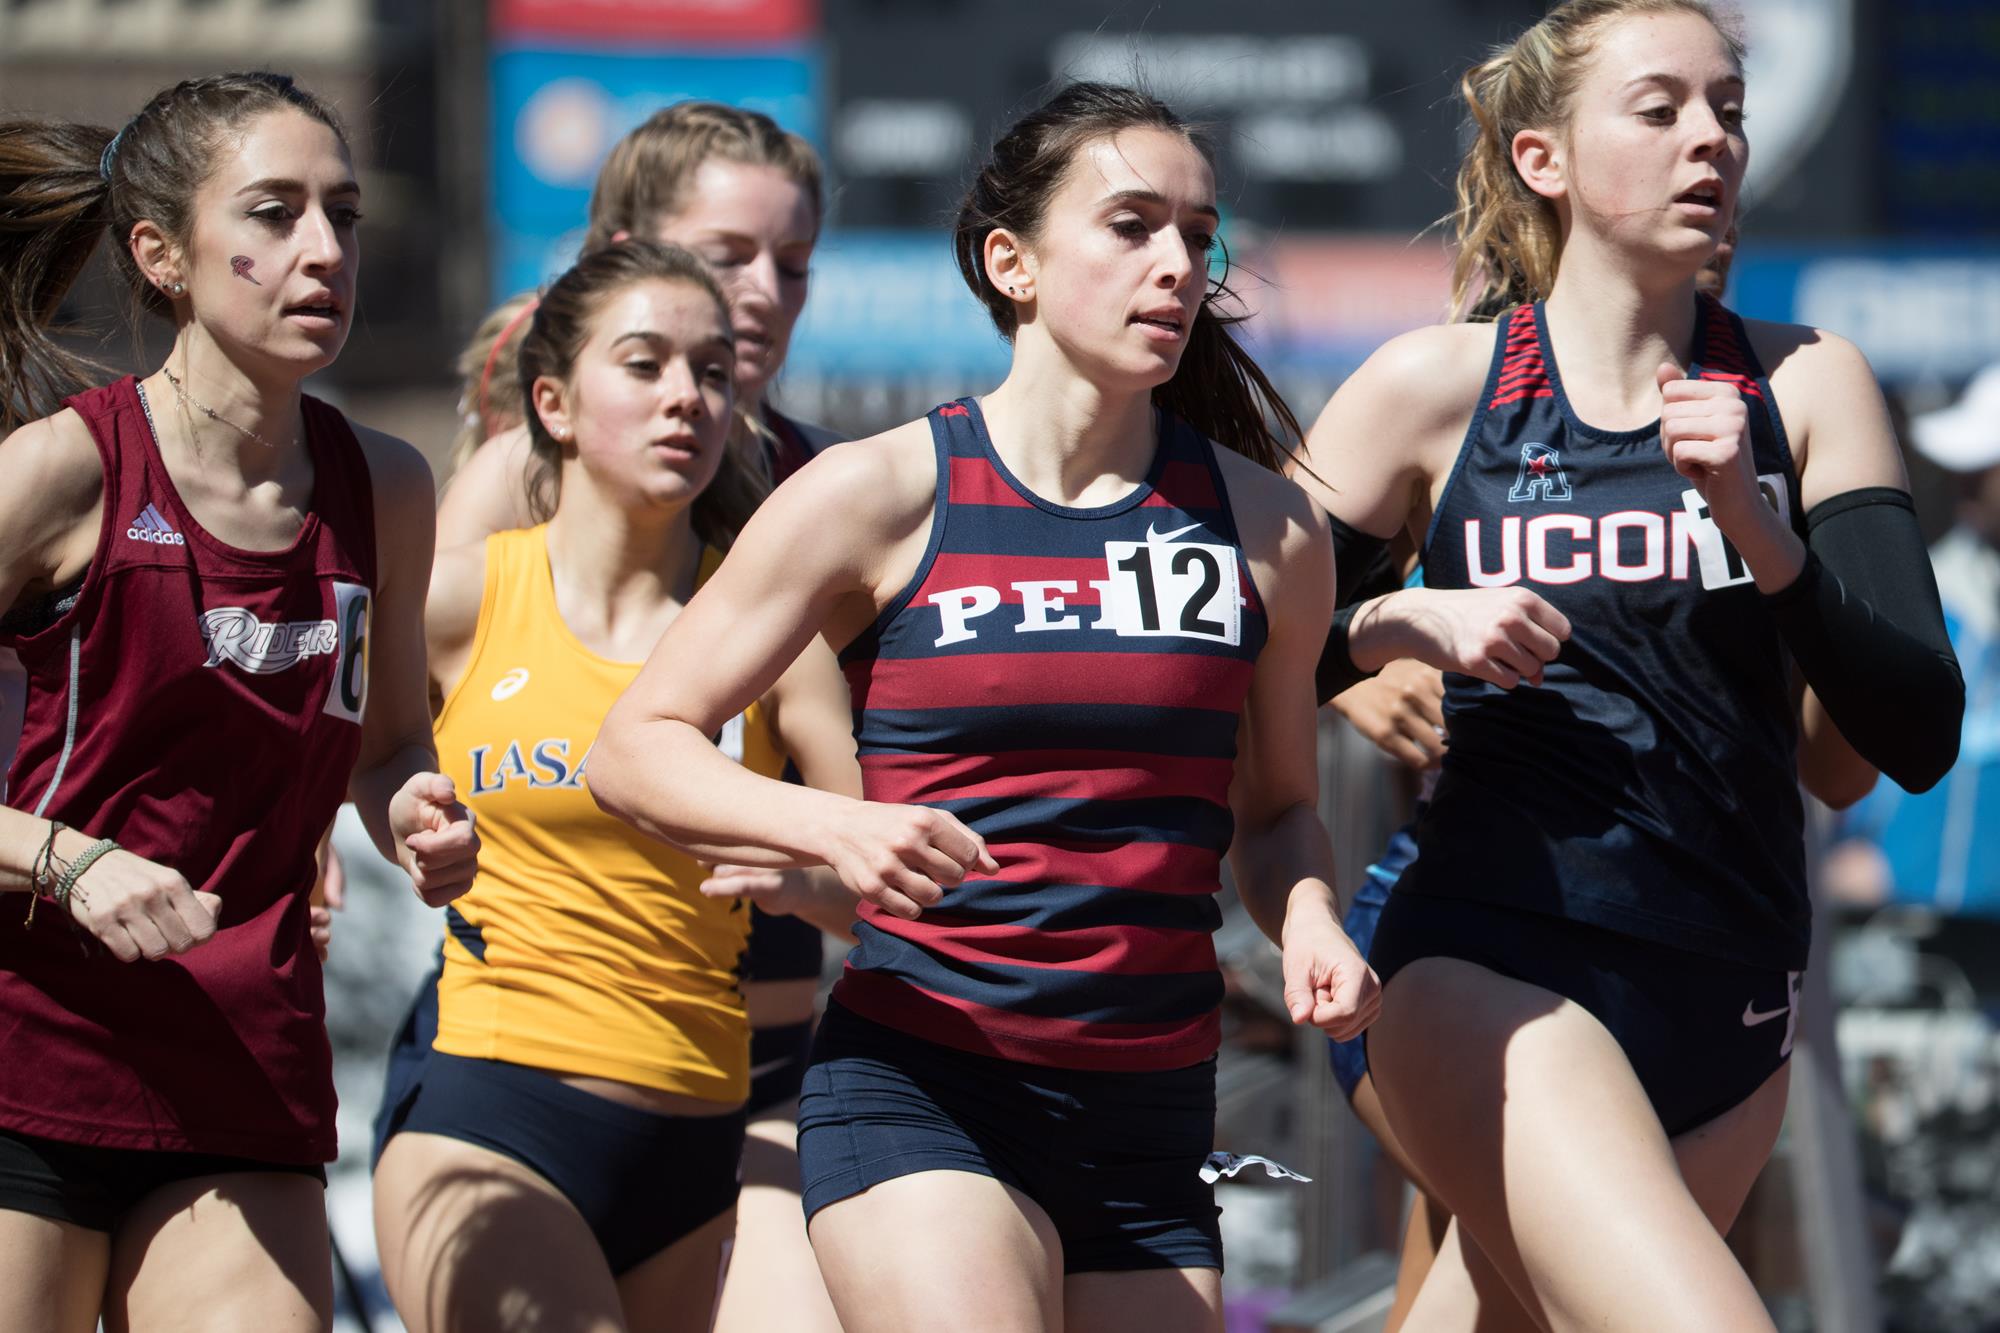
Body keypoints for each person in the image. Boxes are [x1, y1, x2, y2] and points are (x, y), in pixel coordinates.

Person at [585, 81, 1378, 1333]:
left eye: (1196, 231)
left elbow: (1277, 811)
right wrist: (830, 829)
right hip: (922, 1079)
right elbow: (632, 747)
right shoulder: (878, 492)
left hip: (1152, 1113)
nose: (1177, 263)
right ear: (1010, 262)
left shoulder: (1268, 528)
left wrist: (1313, 920)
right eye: (1130, 226)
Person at [1297, 2, 1962, 1326]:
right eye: (1659, 109)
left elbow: (1915, 730)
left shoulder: (1810, 386)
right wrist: (1380, 637)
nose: (1709, 139)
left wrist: (1759, 526)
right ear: (1544, 158)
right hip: (1484, 965)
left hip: (1728, 1005)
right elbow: (1230, 643)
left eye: (1728, 109)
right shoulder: (1435, 389)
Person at [0, 73, 478, 1333]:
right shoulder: (64, 471)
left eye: (344, 215)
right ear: (161, 254)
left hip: (243, 1059)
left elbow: (385, 744)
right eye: (273, 214)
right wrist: (66, 860)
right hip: (28, 1055)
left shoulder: (386, 485)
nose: (322, 250)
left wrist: (414, 804)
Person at [369, 240, 858, 1333]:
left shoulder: (777, 644)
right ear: (552, 402)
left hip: (701, 1140)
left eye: (713, 371)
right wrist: (352, 835)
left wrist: (797, 875)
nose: (685, 396)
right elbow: (330, 748)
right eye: (643, 364)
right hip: (495, 1104)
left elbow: (878, 889)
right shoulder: (458, 601)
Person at [1826, 363, 2000, 916]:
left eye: (1985, 468)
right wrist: (1856, 850)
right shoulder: (1931, 595)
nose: (1964, 483)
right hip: (1906, 936)